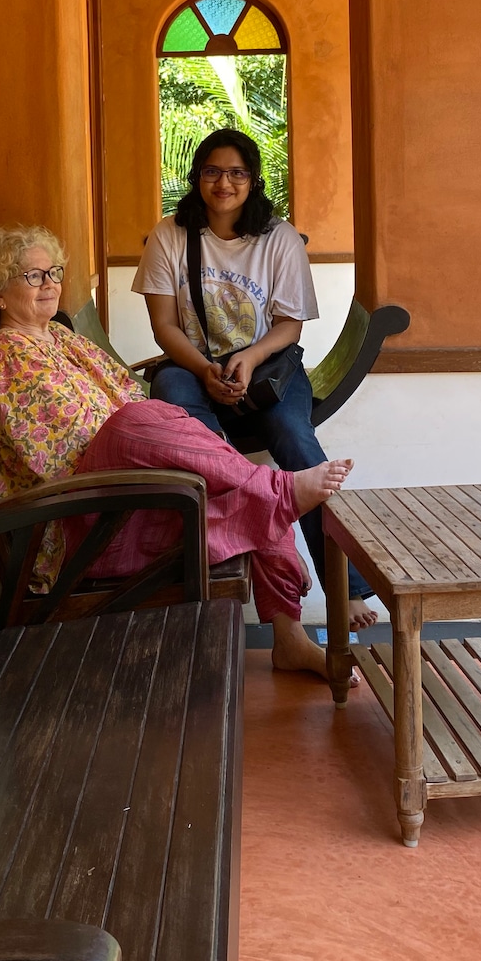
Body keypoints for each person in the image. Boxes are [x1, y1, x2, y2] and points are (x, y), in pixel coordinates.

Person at [0, 222, 355, 682]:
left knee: (243, 488)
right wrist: (157, 439)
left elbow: (127, 400)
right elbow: (61, 455)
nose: (50, 284)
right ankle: (279, 491)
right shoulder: (7, 356)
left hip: (128, 494)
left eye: (54, 273)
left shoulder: (60, 337)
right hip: (84, 520)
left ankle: (290, 640)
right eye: (34, 276)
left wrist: (167, 437)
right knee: (151, 422)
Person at [134, 127, 378, 632]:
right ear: (197, 177)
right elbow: (164, 327)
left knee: (294, 437)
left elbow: (289, 324)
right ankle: (251, 545)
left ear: (252, 180)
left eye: (236, 173)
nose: (224, 183)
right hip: (192, 365)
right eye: (212, 171)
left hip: (268, 367)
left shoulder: (278, 238)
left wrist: (249, 356)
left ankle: (348, 586)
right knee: (194, 436)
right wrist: (204, 369)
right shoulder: (170, 235)